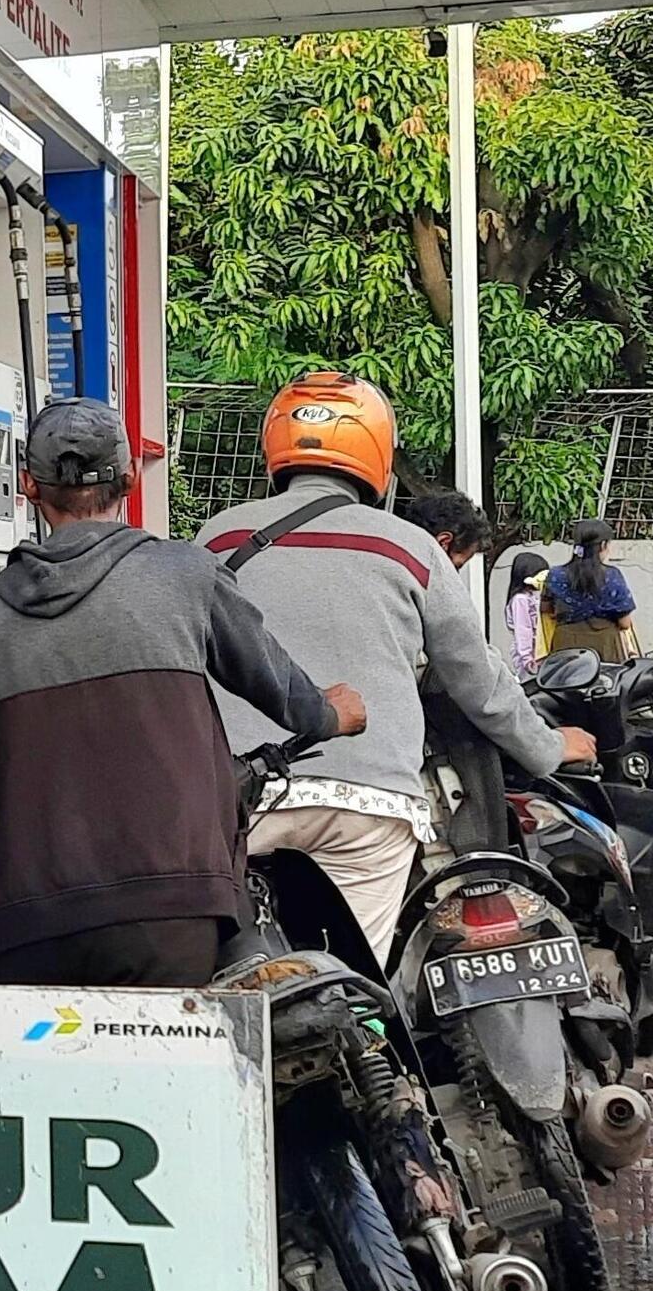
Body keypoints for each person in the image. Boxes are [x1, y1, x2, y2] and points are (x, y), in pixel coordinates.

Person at [198, 374, 595, 956]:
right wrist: (547, 747)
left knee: (227, 971)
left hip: (238, 797)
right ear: (378, 461)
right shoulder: (408, 546)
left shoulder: (218, 537)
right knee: (354, 983)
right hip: (370, 803)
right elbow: (478, 679)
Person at [0, 400, 365, 989]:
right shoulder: (185, 575)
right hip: (170, 908)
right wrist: (333, 713)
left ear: (29, 485)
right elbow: (290, 699)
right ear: (131, 478)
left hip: (18, 927)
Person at [546, 518, 639, 660]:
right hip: (604, 647)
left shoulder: (555, 575)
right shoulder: (612, 576)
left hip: (565, 646)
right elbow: (625, 623)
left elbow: (545, 608)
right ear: (603, 545)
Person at [501, 549, 554, 678]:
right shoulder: (521, 600)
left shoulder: (536, 596)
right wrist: (527, 658)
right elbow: (523, 629)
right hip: (530, 655)